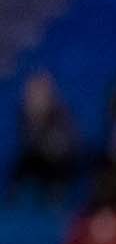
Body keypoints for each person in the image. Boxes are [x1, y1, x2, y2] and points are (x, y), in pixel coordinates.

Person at [8, 70, 79, 203]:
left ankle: (57, 198)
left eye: (38, 93)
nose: (33, 98)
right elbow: (27, 144)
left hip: (60, 162)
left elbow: (63, 148)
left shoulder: (61, 115)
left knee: (60, 169)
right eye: (31, 93)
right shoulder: (24, 114)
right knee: (20, 167)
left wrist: (43, 134)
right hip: (37, 158)